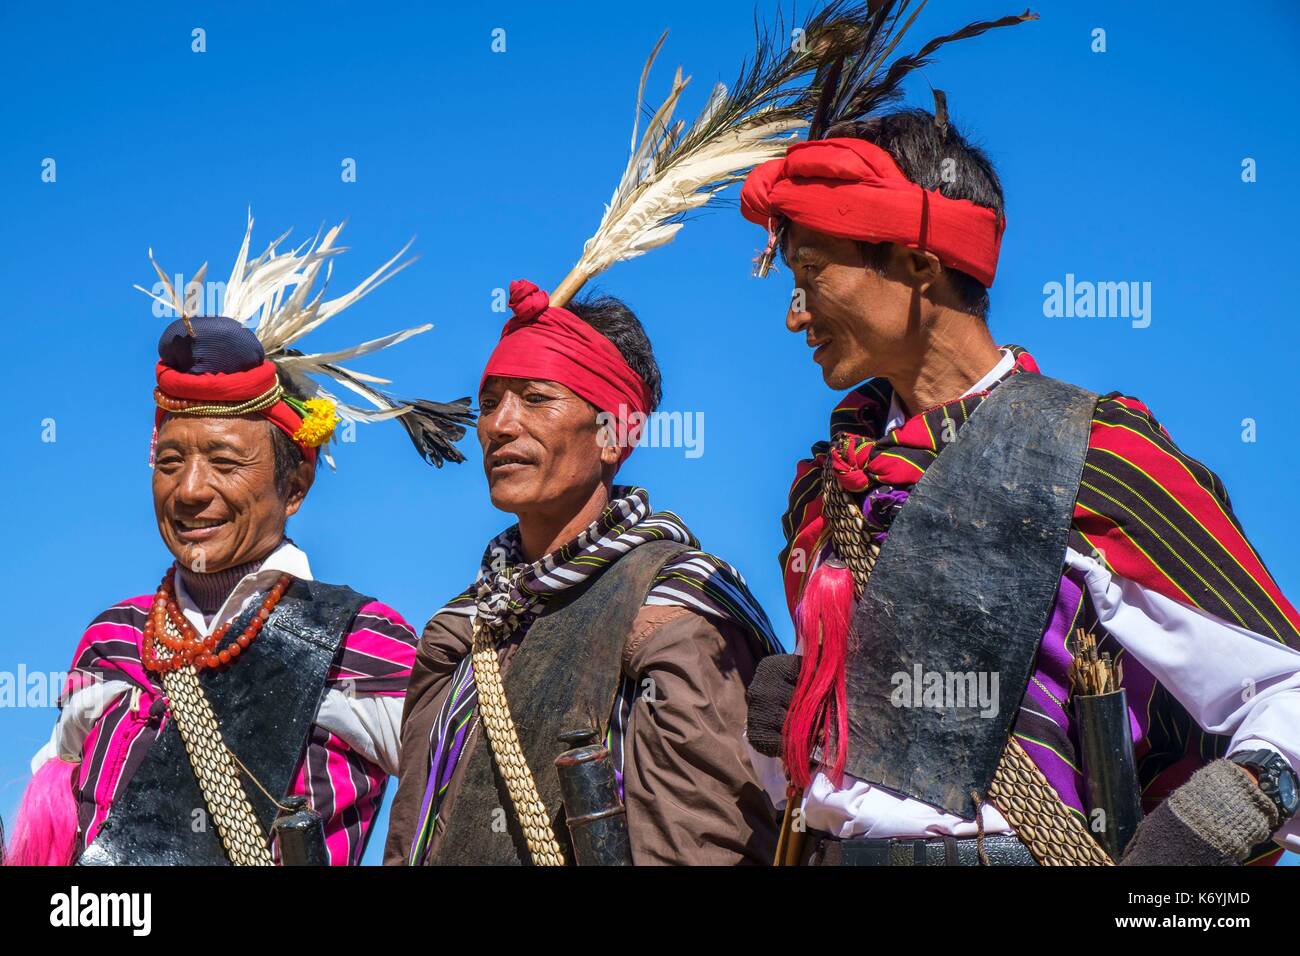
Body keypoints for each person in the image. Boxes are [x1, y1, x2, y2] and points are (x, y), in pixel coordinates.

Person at [739, 8, 1300, 867]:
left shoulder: (1093, 450)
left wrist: (1216, 820)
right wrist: (801, 717)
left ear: (920, 266)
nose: (792, 314)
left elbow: (1285, 688)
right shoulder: (826, 493)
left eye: (812, 273)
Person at [4, 218, 472, 866]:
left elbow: (459, 814)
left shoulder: (364, 642)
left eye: (225, 463)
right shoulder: (112, 640)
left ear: (296, 480)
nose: (191, 490)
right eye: (170, 463)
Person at [385, 281, 781, 865]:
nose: (500, 424)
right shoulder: (462, 628)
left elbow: (697, 845)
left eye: (537, 398)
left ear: (613, 435)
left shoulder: (671, 608)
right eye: (491, 401)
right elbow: (412, 838)